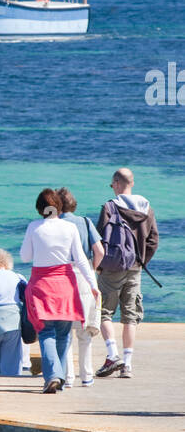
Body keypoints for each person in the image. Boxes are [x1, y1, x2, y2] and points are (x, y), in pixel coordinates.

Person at [20, 189, 100, 394]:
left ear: (39, 209)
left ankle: (53, 376)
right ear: (60, 207)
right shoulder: (69, 227)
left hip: (41, 286)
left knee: (46, 332)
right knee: (63, 335)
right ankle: (60, 378)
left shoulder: (33, 227)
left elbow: (25, 257)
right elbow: (81, 259)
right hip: (65, 285)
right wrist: (93, 285)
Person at [95, 168, 160, 379]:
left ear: (116, 183)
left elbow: (98, 238)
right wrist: (141, 261)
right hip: (135, 268)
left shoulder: (110, 207)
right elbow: (153, 241)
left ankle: (112, 354)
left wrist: (98, 265)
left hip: (111, 268)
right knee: (130, 316)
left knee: (104, 313)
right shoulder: (147, 208)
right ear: (132, 183)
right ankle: (128, 364)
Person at [57, 187, 104, 387]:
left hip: (63, 276)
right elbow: (99, 251)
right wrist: (92, 269)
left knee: (64, 330)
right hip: (84, 276)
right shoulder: (85, 222)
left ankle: (68, 378)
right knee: (85, 331)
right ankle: (86, 376)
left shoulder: (55, 224)